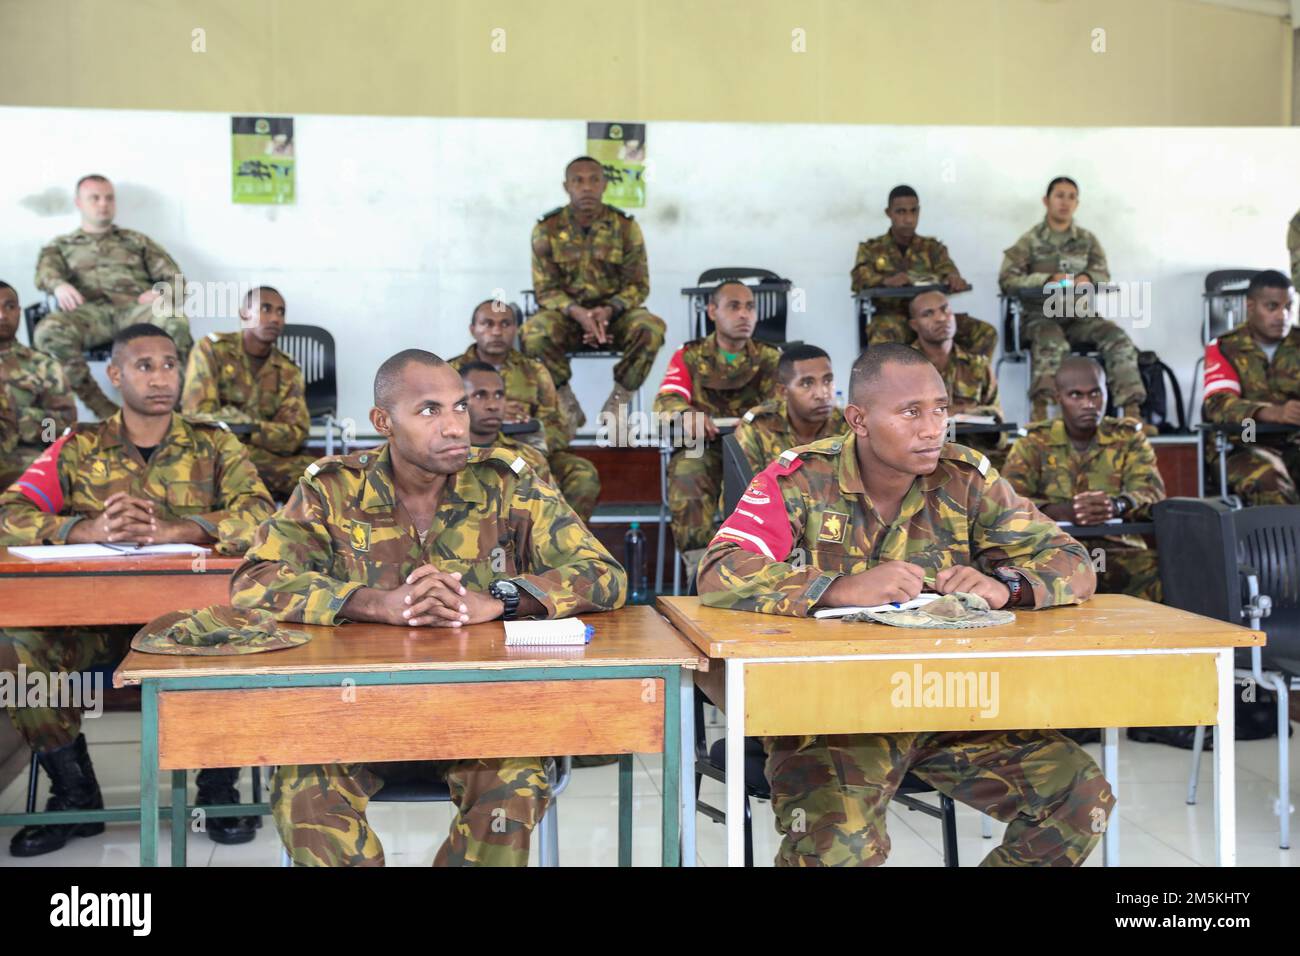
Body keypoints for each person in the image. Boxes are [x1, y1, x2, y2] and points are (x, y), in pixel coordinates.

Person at [697, 343, 1110, 867]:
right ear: (859, 419)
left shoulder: (966, 478)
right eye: (911, 412)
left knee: (1078, 796)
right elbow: (719, 568)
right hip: (832, 714)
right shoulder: (801, 478)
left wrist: (1007, 585)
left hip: (946, 705)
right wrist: (838, 587)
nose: (933, 427)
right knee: (842, 845)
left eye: (940, 408)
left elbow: (1072, 559)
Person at [229, 349, 627, 866]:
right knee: (304, 791)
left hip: (481, 713)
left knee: (516, 784)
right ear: (383, 422)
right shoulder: (331, 490)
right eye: (429, 411)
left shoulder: (507, 484)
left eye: (459, 408)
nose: (455, 426)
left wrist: (501, 599)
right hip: (355, 714)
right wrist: (374, 603)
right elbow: (254, 580)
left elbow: (604, 574)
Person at [0, 324, 275, 857]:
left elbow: (263, 515)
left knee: (246, 640)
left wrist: (187, 528)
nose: (160, 377)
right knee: (18, 648)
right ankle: (74, 794)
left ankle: (218, 788)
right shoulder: (76, 446)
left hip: (190, 622)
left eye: (170, 364)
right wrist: (80, 531)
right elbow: (10, 512)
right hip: (93, 621)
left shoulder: (214, 443)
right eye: (145, 366)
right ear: (115, 375)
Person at [520, 156, 666, 431]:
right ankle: (565, 402)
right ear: (567, 186)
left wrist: (609, 310)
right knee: (533, 333)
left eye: (594, 180)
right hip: (566, 319)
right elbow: (545, 290)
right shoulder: (546, 229)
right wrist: (579, 313)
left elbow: (638, 285)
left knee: (651, 329)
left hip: (615, 316)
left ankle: (619, 401)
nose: (586, 187)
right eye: (578, 180)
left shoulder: (625, 227)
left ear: (605, 185)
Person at [1002, 357, 1165, 602]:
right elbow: (1008, 503)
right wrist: (1061, 511)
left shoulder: (1129, 438)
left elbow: (1152, 493)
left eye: (1096, 394)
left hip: (1119, 551)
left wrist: (1117, 505)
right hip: (1050, 551)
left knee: (1164, 571)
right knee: (1016, 578)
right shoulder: (1034, 442)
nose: (1089, 404)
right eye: (1076, 395)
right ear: (1059, 398)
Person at [34, 174, 191, 418]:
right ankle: (104, 411)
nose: (103, 204)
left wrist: (162, 293)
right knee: (48, 331)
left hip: (135, 311)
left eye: (109, 198)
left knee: (174, 321)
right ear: (79, 203)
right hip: (90, 314)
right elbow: (44, 275)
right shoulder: (61, 246)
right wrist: (59, 285)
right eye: (94, 198)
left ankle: (174, 411)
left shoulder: (136, 241)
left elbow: (178, 281)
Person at [653, 281, 781, 572]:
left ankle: (764, 564)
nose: (744, 315)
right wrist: (685, 414)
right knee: (686, 474)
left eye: (750, 307)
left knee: (776, 476)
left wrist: (753, 420)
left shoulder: (771, 357)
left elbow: (783, 404)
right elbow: (665, 400)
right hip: (704, 448)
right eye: (734, 307)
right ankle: (698, 567)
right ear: (712, 311)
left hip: (756, 448)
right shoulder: (689, 355)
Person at [998, 176, 1145, 421]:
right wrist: (1044, 280)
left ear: (1077, 203)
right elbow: (1008, 280)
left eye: (1071, 197)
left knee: (1117, 338)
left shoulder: (1087, 241)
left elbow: (1103, 275)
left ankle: (1131, 413)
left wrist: (1088, 277)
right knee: (1051, 341)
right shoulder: (1030, 241)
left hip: (1080, 316)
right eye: (1059, 196)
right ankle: (1042, 415)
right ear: (1046, 201)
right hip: (1041, 317)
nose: (1065, 202)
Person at [450, 298, 599, 523]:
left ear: (516, 329)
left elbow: (559, 426)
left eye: (505, 324)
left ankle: (559, 546)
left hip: (530, 448)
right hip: (468, 449)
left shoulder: (535, 371)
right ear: (473, 330)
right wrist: (490, 420)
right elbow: (437, 420)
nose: (497, 331)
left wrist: (532, 432)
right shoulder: (450, 372)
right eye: (488, 324)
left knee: (582, 475)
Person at [180, 286, 316, 499]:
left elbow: (295, 433)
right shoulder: (211, 350)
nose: (275, 318)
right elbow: (197, 416)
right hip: (217, 454)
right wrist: (263, 431)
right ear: (244, 314)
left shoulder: (288, 369)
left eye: (281, 312)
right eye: (265, 309)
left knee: (319, 475)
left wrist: (247, 428)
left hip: (266, 458)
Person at [852, 185, 995, 358]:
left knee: (985, 333)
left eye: (913, 211)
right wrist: (885, 281)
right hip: (893, 318)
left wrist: (953, 279)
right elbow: (858, 279)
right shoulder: (872, 249)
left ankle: (962, 380)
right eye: (901, 212)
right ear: (888, 213)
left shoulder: (932, 248)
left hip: (931, 316)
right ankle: (892, 385)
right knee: (883, 338)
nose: (908, 218)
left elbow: (948, 270)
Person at [1202, 269, 1300, 505]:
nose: (1282, 316)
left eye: (1289, 307)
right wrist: (1273, 413)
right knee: (1269, 481)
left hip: (1294, 444)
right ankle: (1281, 543)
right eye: (1272, 307)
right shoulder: (1224, 347)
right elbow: (1218, 405)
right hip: (1242, 444)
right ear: (1251, 306)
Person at [908, 289, 1006, 465]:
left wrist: (964, 413)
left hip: (973, 458)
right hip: (922, 459)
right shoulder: (903, 368)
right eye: (928, 314)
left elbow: (997, 419)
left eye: (945, 309)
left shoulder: (978, 366)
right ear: (915, 325)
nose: (941, 318)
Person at [0, 280, 74, 486]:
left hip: (21, 459)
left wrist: (23, 422)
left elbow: (62, 425)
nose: (2, 315)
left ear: (19, 311)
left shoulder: (43, 366)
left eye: (9, 306)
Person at [733, 344, 845, 475]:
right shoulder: (758, 427)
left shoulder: (849, 427)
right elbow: (741, 491)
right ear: (783, 391)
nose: (822, 394)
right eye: (807, 383)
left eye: (827, 381)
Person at [460, 361, 553, 481]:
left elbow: (550, 499)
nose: (493, 405)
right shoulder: (444, 457)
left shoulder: (529, 458)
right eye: (480, 395)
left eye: (498, 395)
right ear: (459, 401)